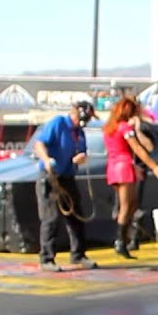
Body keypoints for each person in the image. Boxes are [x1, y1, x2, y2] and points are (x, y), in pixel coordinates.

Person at [32, 101, 99, 272]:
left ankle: (78, 254)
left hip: (67, 177)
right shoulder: (58, 123)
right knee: (51, 218)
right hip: (51, 177)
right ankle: (46, 258)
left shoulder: (80, 133)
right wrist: (46, 160)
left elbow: (79, 153)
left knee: (76, 216)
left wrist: (80, 159)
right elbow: (39, 144)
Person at [103, 96, 158, 258]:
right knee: (128, 206)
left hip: (112, 166)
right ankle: (121, 241)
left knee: (127, 205)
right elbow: (138, 149)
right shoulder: (125, 128)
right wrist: (154, 166)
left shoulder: (109, 128)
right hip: (124, 166)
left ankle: (122, 239)